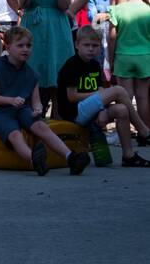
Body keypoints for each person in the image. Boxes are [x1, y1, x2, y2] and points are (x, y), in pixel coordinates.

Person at [0, 26, 90, 177]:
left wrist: (38, 109)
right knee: (15, 135)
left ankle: (71, 157)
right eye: (20, 45)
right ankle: (34, 161)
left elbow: (36, 101)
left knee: (41, 125)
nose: (25, 49)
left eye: (28, 46)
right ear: (7, 46)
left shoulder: (31, 74)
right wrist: (10, 100)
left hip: (21, 109)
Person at [57, 25, 150, 166]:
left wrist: (102, 109)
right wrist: (100, 95)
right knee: (118, 90)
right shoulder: (71, 65)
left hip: (91, 111)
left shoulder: (94, 65)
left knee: (121, 110)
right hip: (74, 112)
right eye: (86, 45)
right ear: (77, 45)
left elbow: (100, 90)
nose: (90, 49)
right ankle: (143, 130)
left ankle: (128, 155)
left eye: (95, 46)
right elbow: (72, 96)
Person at [11, 0, 74, 112]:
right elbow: (22, 3)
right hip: (32, 30)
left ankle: (59, 121)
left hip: (57, 29)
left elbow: (64, 4)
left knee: (59, 74)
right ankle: (35, 118)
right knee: (32, 74)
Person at [109, 0, 150, 131]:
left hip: (123, 56)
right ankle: (145, 133)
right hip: (145, 58)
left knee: (125, 98)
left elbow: (112, 37)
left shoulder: (117, 10)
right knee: (143, 97)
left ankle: (124, 132)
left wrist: (111, 59)